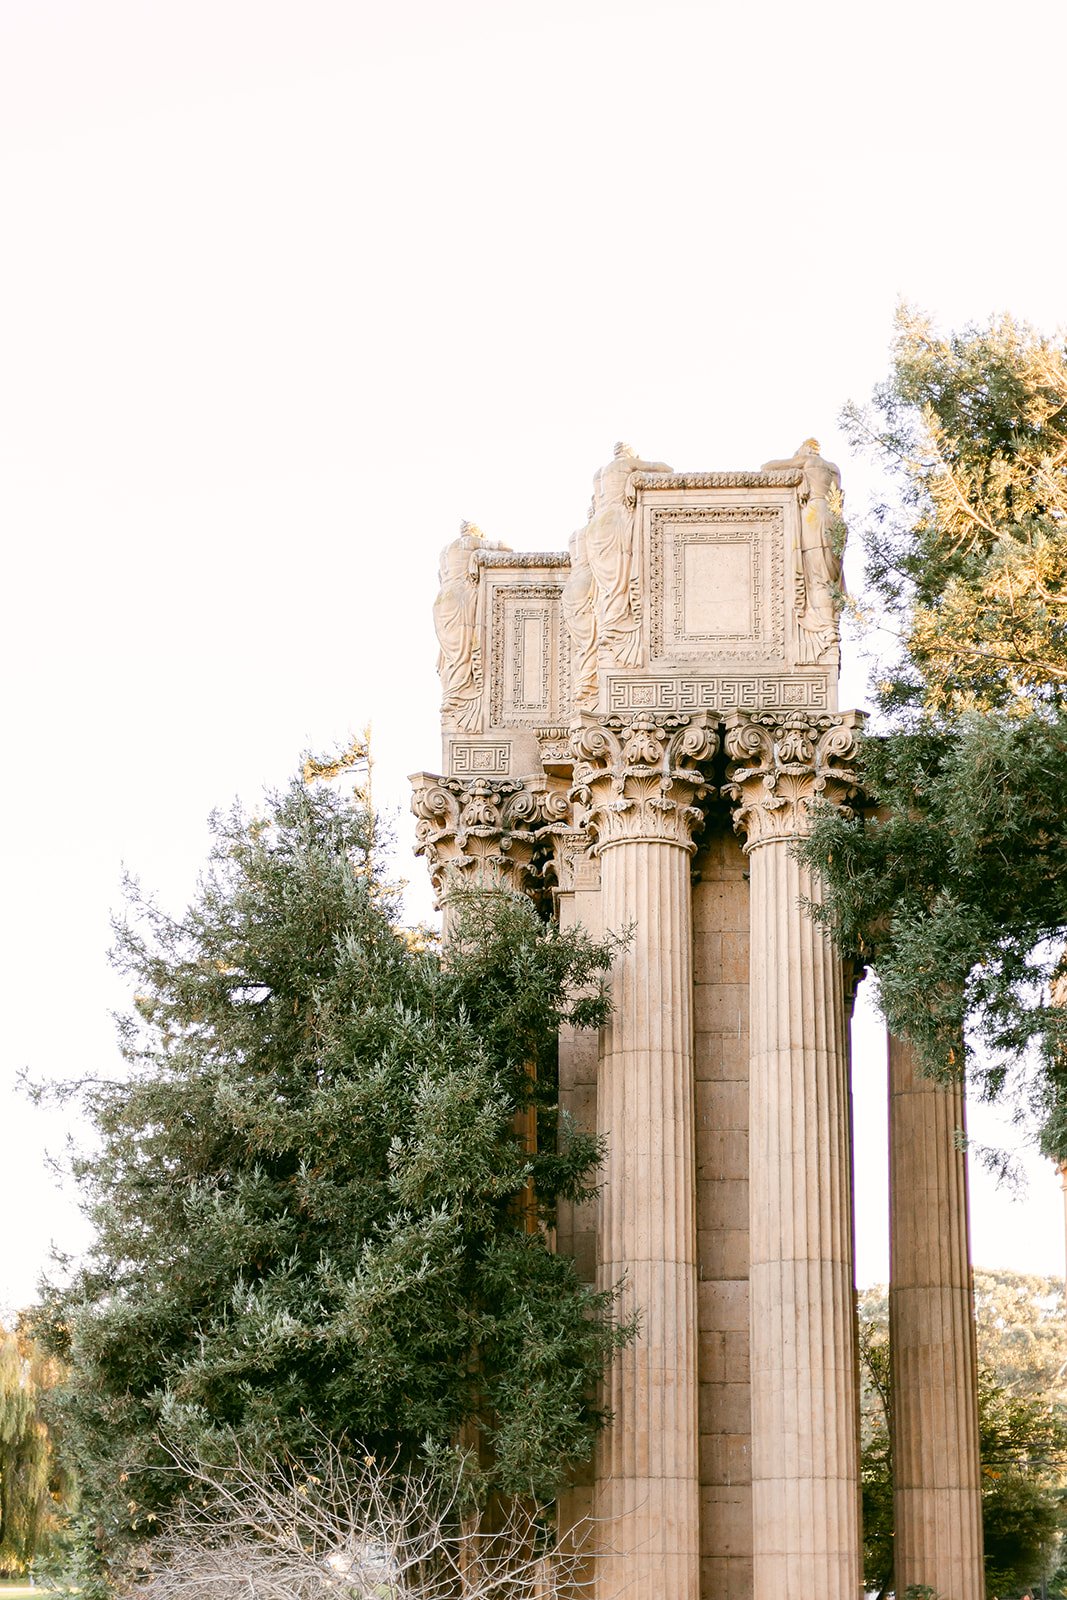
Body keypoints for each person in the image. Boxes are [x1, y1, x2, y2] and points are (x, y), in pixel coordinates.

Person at [583, 442, 672, 668]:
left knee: (606, 588)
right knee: (618, 584)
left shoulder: (598, 474)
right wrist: (637, 472)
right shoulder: (624, 464)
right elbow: (664, 469)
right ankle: (612, 633)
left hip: (594, 530)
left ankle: (607, 630)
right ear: (629, 454)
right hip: (613, 524)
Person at [763, 439, 845, 664]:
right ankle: (831, 628)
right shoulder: (835, 469)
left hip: (814, 516)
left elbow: (768, 467)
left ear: (804, 451)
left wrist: (797, 465)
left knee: (815, 577)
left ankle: (825, 632)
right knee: (830, 578)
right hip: (835, 521)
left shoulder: (808, 461)